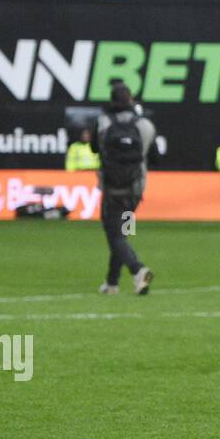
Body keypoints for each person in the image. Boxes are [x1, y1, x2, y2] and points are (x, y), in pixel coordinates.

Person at [92, 84, 155, 295]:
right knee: (124, 233)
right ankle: (112, 283)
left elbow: (94, 147)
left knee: (114, 236)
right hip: (135, 191)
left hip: (112, 191)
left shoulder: (103, 122)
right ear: (131, 99)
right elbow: (152, 154)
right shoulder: (145, 125)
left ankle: (138, 270)